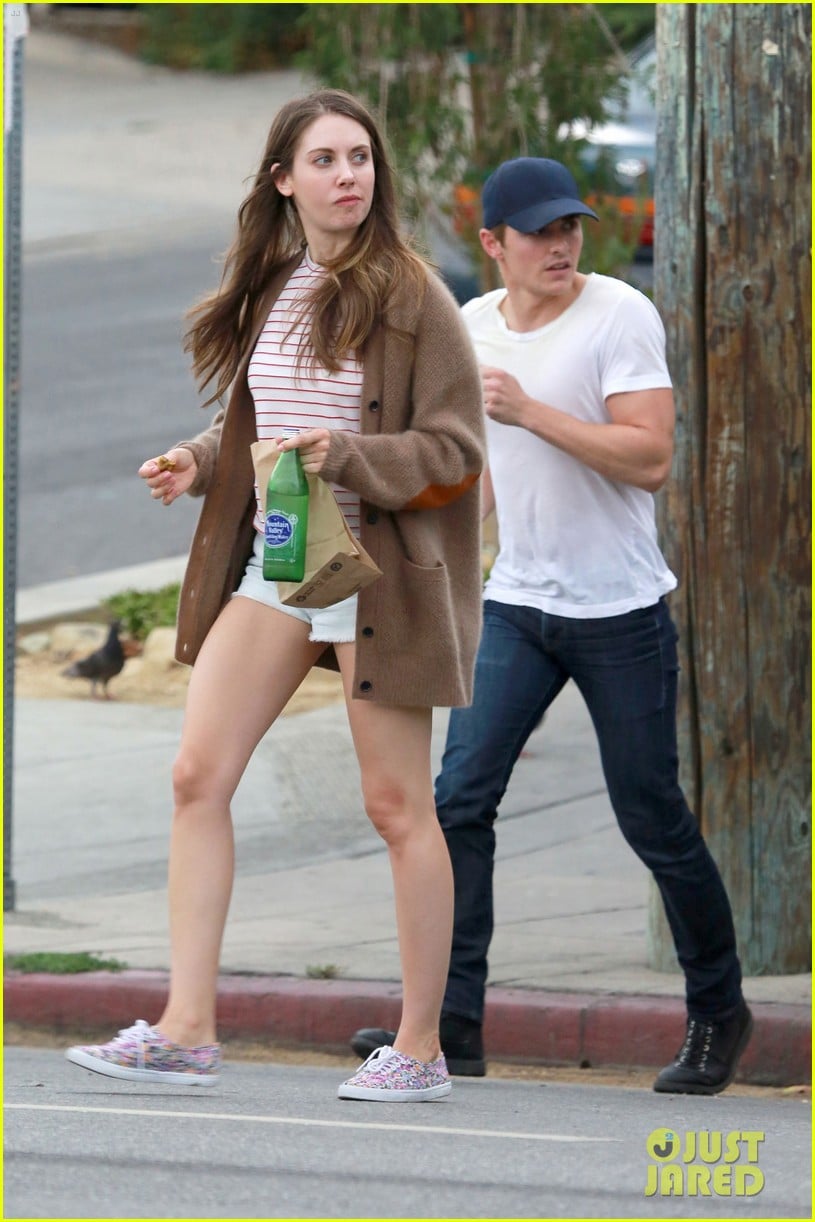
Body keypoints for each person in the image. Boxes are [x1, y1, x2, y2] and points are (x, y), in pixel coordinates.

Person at [65, 89, 485, 1103]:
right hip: (284, 565)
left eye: (361, 158)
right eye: (327, 160)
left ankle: (420, 1047)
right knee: (194, 775)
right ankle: (187, 1027)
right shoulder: (278, 286)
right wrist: (200, 460)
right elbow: (269, 425)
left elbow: (456, 451)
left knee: (396, 806)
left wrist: (349, 453)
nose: (350, 176)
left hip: (378, 576)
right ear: (281, 180)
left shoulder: (411, 294)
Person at [351, 156, 753, 1095]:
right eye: (537, 231)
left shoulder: (619, 315)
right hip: (517, 607)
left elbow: (649, 458)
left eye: (568, 225)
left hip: (618, 610)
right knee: (458, 803)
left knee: (651, 816)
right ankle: (450, 1022)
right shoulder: (472, 326)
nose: (560, 243)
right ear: (492, 244)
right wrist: (411, 565)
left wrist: (529, 410)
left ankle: (718, 1011)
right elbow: (475, 481)